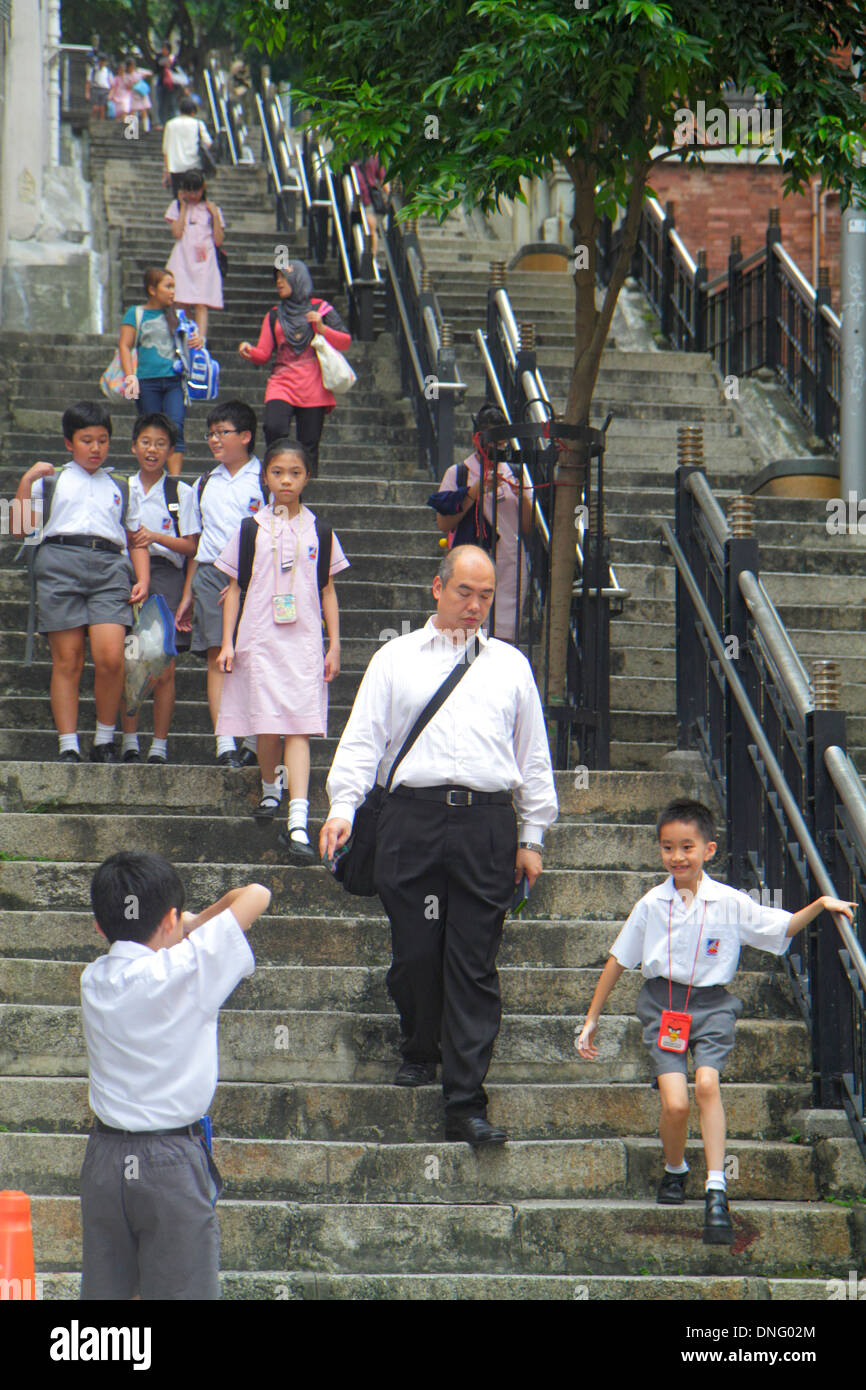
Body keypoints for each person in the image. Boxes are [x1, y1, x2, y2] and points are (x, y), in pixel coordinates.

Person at [320, 544, 558, 1146]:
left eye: (486, 596)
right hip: (411, 820)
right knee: (417, 953)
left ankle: (465, 1101)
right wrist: (342, 807)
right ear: (437, 588)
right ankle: (420, 1042)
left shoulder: (510, 665)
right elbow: (361, 739)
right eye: (464, 593)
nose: (476, 605)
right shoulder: (396, 657)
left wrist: (532, 835)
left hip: (485, 825)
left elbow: (532, 755)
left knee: (473, 963)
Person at [576, 798, 856, 1244]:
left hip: (712, 1007)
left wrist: (821, 904)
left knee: (707, 1084)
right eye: (668, 847)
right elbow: (618, 960)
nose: (677, 857)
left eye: (687, 846)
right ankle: (674, 1170)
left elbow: (779, 928)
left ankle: (715, 1189)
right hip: (662, 1006)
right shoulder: (652, 903)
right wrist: (590, 1020)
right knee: (675, 1104)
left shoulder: (729, 901)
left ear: (708, 849)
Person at [79, 850, 270, 1300]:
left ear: (99, 925)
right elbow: (256, 894)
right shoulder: (185, 969)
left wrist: (175, 925)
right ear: (170, 918)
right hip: (170, 1160)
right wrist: (195, 923)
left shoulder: (94, 979)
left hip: (105, 1159)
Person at [215, 440, 349, 861]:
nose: (286, 480)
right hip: (259, 639)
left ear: (308, 476)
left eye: (294, 472)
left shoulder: (321, 531)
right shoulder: (250, 528)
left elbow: (328, 590)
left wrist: (335, 645)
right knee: (267, 726)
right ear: (266, 476)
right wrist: (227, 642)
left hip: (304, 644)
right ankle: (272, 789)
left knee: (299, 726)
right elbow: (234, 588)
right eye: (277, 472)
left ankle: (298, 819)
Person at [11, 401, 147, 763]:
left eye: (103, 440)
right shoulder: (50, 479)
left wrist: (143, 578)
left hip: (109, 567)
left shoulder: (121, 484)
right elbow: (19, 528)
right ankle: (68, 743)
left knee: (111, 657)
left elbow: (135, 538)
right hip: (59, 565)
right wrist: (26, 480)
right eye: (87, 440)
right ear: (69, 443)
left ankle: (104, 739)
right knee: (67, 659)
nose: (96, 448)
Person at [175, 400, 264, 769]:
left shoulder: (265, 478)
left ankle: (258, 740)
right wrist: (187, 595)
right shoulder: (204, 483)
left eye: (221, 433)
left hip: (259, 575)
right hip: (211, 574)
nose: (214, 440)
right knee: (217, 655)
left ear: (245, 436)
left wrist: (244, 580)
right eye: (210, 433)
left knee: (257, 658)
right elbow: (198, 545)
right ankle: (224, 741)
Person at [122, 414, 198, 764]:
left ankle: (159, 744)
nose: (153, 449)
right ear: (134, 445)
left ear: (171, 449)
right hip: (124, 575)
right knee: (129, 659)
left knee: (164, 665)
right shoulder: (122, 487)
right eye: (146, 442)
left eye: (161, 443)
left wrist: (155, 537)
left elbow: (192, 546)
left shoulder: (182, 492)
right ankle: (129, 739)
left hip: (167, 576)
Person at [428, 402, 533, 642]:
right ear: (478, 439)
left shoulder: (516, 472)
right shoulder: (459, 473)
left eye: (502, 443)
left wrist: (520, 494)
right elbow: (443, 523)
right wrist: (474, 492)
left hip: (510, 562)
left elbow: (528, 527)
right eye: (492, 441)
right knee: (465, 628)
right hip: (469, 562)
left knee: (503, 635)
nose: (497, 448)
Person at [238, 261, 351, 472]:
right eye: (277, 278)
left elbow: (345, 341)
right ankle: (275, 477)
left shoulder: (322, 308)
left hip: (314, 384)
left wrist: (322, 328)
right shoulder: (274, 315)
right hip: (282, 381)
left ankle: (306, 492)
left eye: (283, 277)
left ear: (298, 278)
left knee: (309, 443)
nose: (279, 282)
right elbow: (263, 354)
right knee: (274, 427)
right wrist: (249, 351)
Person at [118, 266, 202, 478]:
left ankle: (173, 480)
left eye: (174, 286)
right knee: (151, 430)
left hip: (175, 381)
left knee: (176, 426)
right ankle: (152, 475)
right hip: (147, 382)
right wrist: (130, 377)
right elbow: (125, 345)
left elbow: (193, 340)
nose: (173, 291)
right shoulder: (136, 314)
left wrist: (198, 340)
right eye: (168, 286)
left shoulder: (179, 314)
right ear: (152, 290)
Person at [165, 169, 225, 343]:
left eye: (196, 191)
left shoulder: (212, 209)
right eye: (188, 190)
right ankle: (182, 336)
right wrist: (183, 208)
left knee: (201, 302)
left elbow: (219, 240)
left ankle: (200, 339)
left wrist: (214, 216)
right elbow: (176, 232)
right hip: (183, 258)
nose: (192, 195)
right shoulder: (176, 206)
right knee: (179, 301)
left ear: (203, 188)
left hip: (204, 259)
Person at [162, 97, 214, 197]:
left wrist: (165, 172)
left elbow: (166, 150)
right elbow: (208, 143)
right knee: (197, 199)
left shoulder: (170, 124)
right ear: (193, 112)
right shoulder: (198, 124)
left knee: (179, 200)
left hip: (176, 168)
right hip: (194, 166)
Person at [352, 152, 390, 258]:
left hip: (366, 197)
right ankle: (369, 256)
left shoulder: (373, 158)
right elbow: (383, 179)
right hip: (363, 196)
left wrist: (389, 195)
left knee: (370, 228)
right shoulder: (374, 157)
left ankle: (370, 257)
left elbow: (383, 178)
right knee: (370, 229)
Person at [154, 42, 177, 129]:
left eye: (165, 49)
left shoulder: (173, 58)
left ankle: (172, 121)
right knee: (161, 103)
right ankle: (161, 122)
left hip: (172, 84)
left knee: (171, 103)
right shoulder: (159, 58)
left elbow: (176, 69)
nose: (163, 51)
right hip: (161, 83)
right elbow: (156, 68)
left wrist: (170, 66)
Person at [86, 55, 112, 121]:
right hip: (95, 89)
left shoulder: (107, 71)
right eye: (101, 61)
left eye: (104, 62)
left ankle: (101, 122)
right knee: (95, 108)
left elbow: (112, 83)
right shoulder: (94, 70)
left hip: (104, 90)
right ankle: (93, 120)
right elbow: (88, 82)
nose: (102, 63)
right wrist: (87, 93)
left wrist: (110, 94)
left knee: (102, 108)